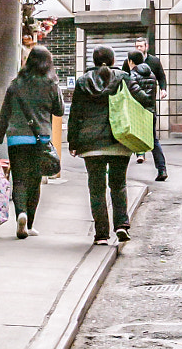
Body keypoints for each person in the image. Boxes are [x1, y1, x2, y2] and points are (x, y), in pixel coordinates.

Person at [0, 43, 64, 239]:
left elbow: (4, 114)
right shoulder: (51, 83)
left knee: (20, 179)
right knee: (35, 180)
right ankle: (29, 223)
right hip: (40, 138)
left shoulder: (16, 84)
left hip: (17, 138)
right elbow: (59, 110)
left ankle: (20, 213)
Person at [68, 44, 133, 245]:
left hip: (91, 142)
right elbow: (134, 105)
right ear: (113, 60)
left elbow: (76, 113)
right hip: (119, 139)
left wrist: (73, 141)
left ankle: (101, 234)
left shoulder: (82, 82)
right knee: (118, 185)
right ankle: (121, 225)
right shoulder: (124, 78)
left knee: (96, 188)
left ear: (93, 61)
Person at [128, 33, 169, 181]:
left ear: (146, 47)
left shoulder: (154, 62)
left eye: (141, 46)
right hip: (149, 106)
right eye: (137, 46)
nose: (139, 48)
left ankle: (118, 173)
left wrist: (163, 89)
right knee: (152, 138)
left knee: (129, 137)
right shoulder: (141, 70)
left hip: (139, 107)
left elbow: (162, 77)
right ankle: (155, 164)